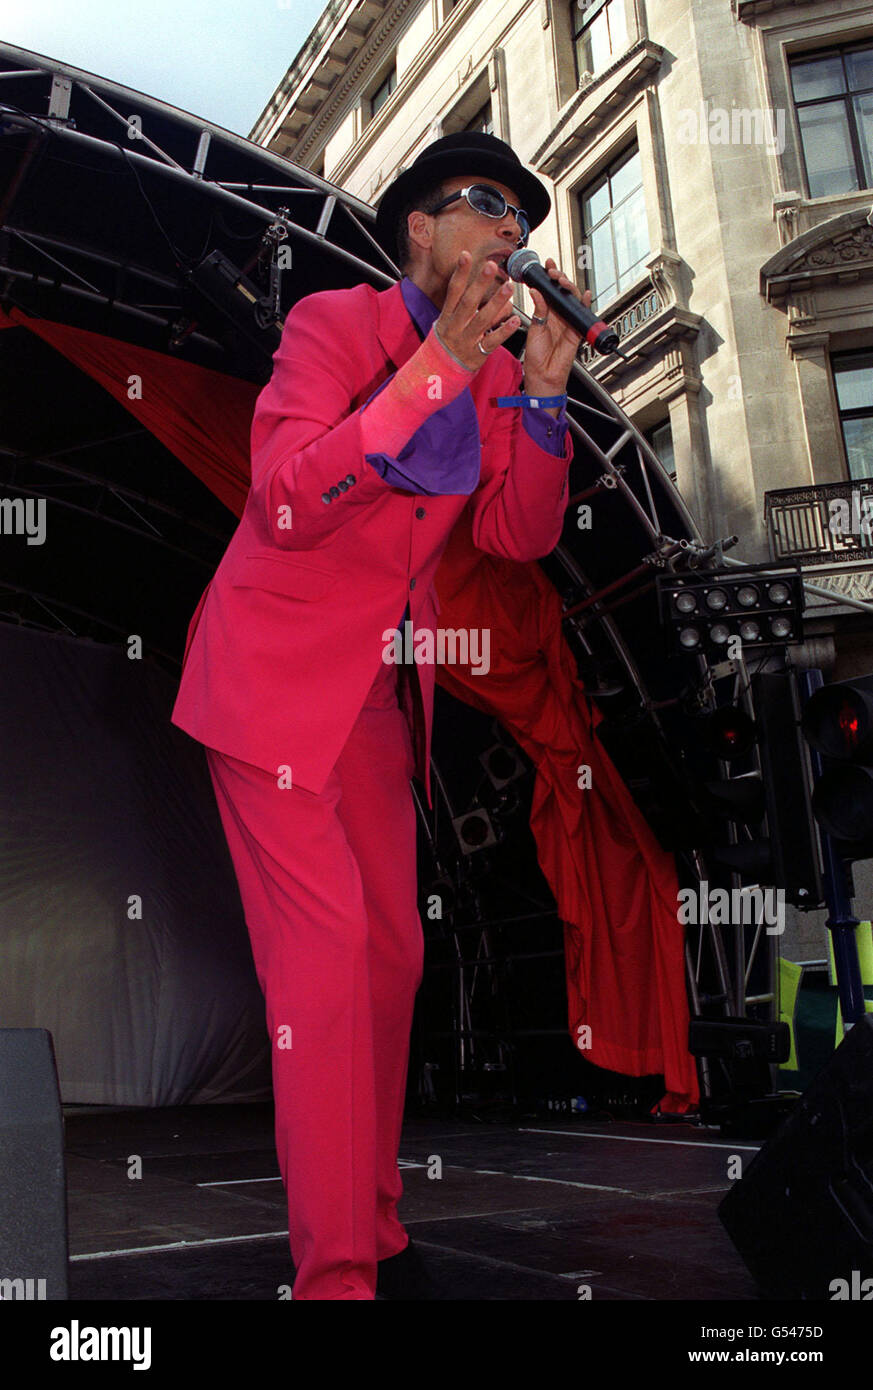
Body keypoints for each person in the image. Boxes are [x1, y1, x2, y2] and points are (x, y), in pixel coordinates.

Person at [171, 131, 589, 1300]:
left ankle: (373, 1215)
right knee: (328, 963)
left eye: (522, 219)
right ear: (419, 227)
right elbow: (290, 498)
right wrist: (436, 368)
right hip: (270, 680)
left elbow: (517, 533)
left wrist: (543, 390)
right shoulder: (335, 326)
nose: (511, 232)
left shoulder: (503, 368)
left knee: (395, 958)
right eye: (486, 205)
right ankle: (336, 1272)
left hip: (371, 702)